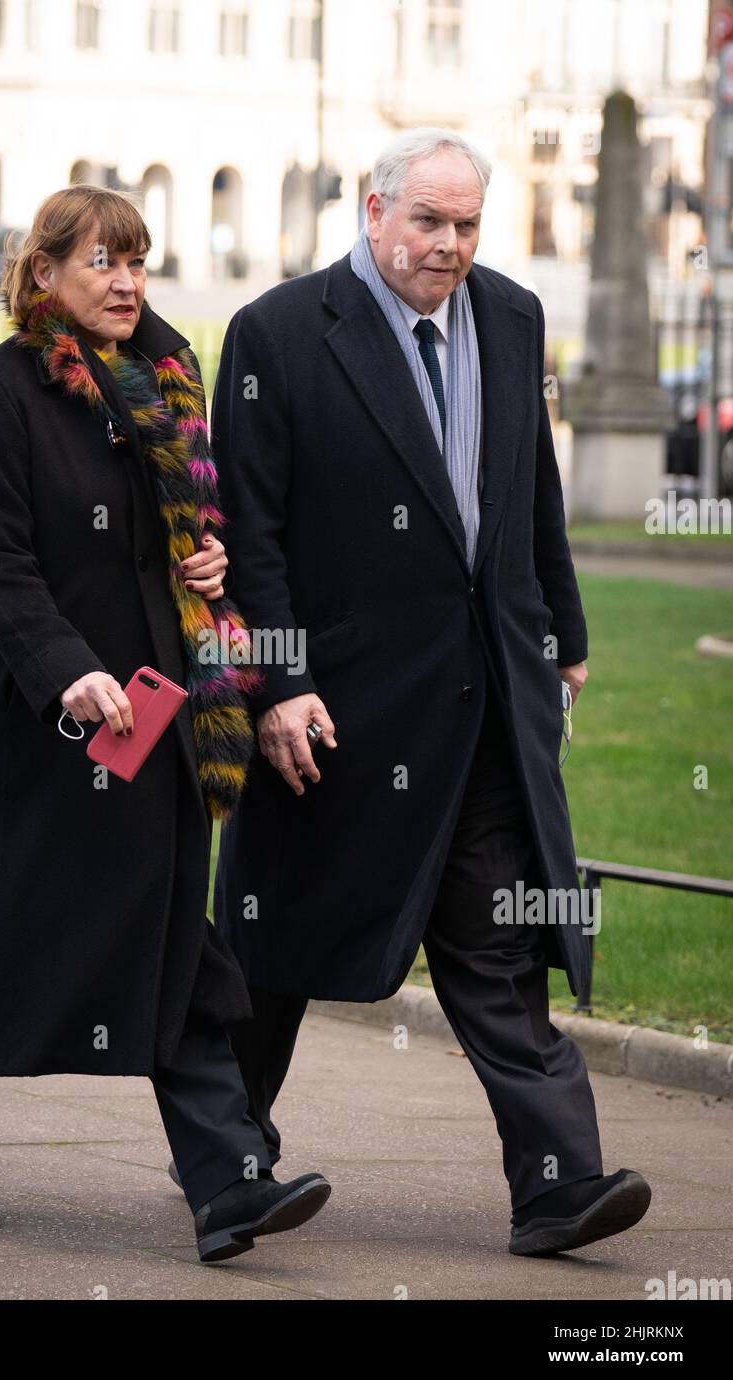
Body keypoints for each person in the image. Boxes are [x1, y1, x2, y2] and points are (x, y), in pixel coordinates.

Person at [207, 129, 651, 1257]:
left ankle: (557, 1184)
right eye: (428, 223)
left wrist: (562, 626)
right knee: (277, 950)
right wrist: (276, 684)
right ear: (373, 212)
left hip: (487, 699)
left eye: (466, 226)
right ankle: (223, 1151)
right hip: (336, 713)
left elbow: (528, 484)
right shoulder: (277, 334)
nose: (448, 247)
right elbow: (249, 536)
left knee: (497, 944)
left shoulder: (510, 315)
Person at [0, 185, 330, 1263]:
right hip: (26, 716)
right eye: (102, 260)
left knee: (168, 920)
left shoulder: (165, 381)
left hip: (149, 709)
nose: (128, 280)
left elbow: (180, 532)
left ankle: (227, 1178)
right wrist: (68, 675)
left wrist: (204, 561)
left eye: (137, 259)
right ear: (43, 273)